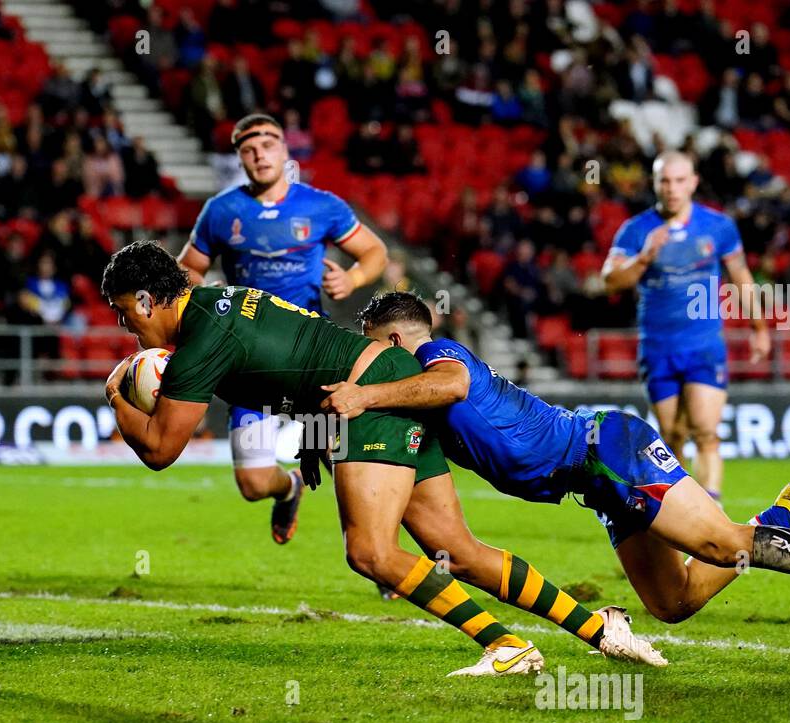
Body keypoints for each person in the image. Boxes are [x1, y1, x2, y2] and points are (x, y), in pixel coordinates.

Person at [101, 240, 662, 677]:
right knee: (456, 551)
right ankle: (600, 630)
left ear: (147, 300)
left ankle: (505, 645)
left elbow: (160, 449)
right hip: (381, 383)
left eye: (124, 313)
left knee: (370, 551)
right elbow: (296, 356)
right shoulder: (220, 303)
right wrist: (316, 430)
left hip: (371, 400)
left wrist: (116, 394)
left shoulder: (201, 338)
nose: (127, 327)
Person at [321, 291, 790, 653]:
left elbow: (452, 385)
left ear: (394, 340)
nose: (367, 361)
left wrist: (365, 395)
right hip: (592, 483)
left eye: (372, 349)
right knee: (673, 601)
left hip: (605, 449)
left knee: (719, 544)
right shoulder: (414, 393)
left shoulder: (437, 357)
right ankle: (784, 514)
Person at [177, 113, 387, 551]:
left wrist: (352, 279)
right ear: (240, 159)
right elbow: (187, 270)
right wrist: (209, 290)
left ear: (285, 151)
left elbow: (374, 252)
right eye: (248, 149)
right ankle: (289, 488)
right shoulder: (221, 211)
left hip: (310, 358)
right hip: (249, 363)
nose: (259, 155)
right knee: (254, 483)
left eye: (268, 145)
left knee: (338, 459)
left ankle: (379, 555)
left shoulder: (321, 206)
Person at [602, 150, 772, 503]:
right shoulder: (636, 230)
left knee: (706, 432)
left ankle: (710, 509)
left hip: (704, 345)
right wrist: (645, 257)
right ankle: (681, 513)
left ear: (693, 182)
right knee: (672, 436)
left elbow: (741, 276)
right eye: (664, 181)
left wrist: (759, 327)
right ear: (654, 183)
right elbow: (611, 282)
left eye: (679, 180)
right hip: (658, 347)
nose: (672, 188)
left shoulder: (718, 226)